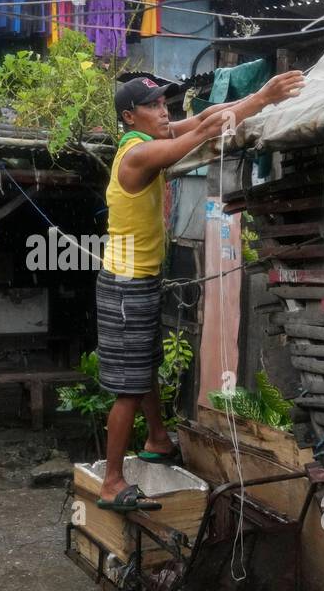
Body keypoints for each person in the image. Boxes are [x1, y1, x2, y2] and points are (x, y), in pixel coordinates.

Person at [95, 70, 306, 511]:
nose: (163, 111)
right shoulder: (136, 155)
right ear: (129, 116)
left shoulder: (151, 141)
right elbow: (209, 130)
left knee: (145, 365)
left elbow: (206, 115)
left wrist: (254, 99)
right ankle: (112, 483)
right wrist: (264, 95)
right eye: (153, 106)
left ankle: (157, 439)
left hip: (141, 280)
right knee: (129, 388)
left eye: (164, 103)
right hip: (125, 286)